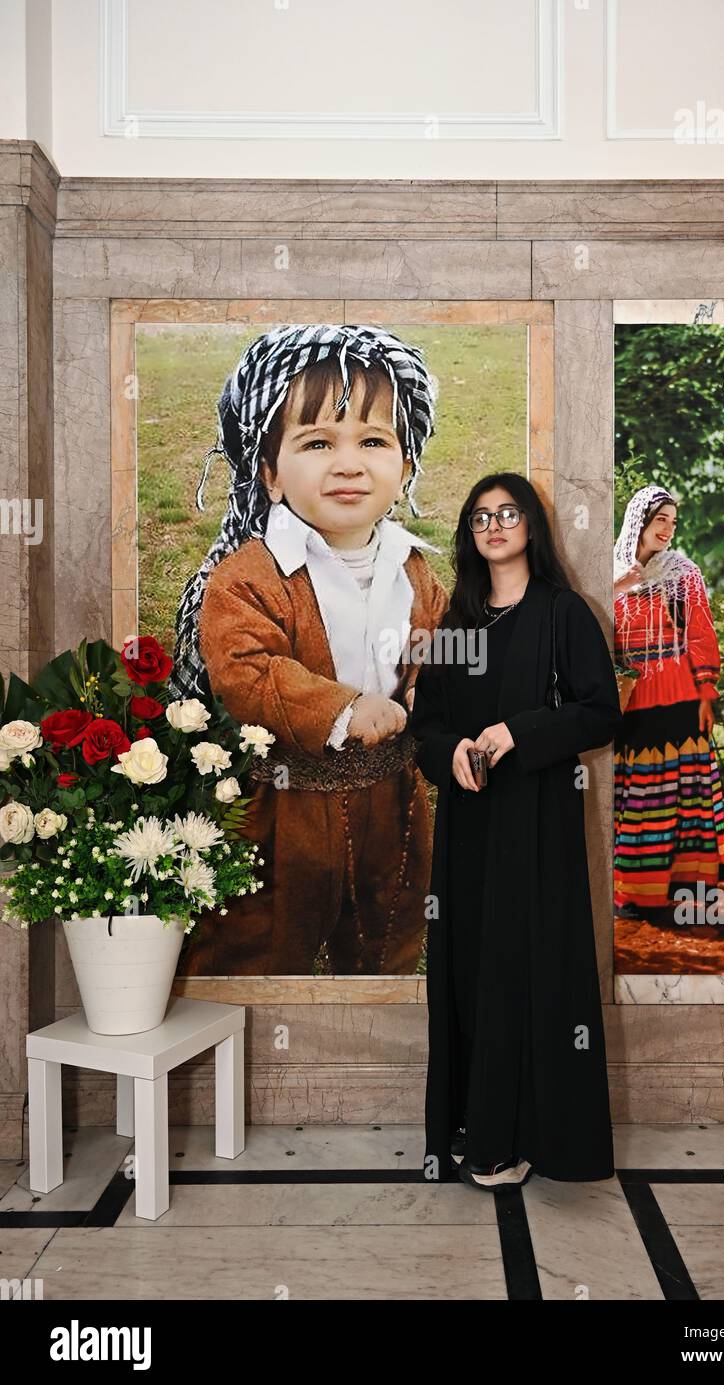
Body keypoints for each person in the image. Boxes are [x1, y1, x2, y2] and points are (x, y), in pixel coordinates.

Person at [169, 323, 450, 975]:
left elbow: (437, 645)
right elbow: (248, 669)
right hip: (282, 805)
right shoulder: (246, 576)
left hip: (391, 798)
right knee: (257, 941)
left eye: (373, 441)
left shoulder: (414, 570)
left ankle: (372, 1033)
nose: (348, 463)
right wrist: (345, 708)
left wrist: (426, 689)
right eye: (318, 441)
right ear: (268, 472)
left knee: (390, 930)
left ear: (405, 465)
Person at [409, 472, 621, 1192]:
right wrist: (453, 754)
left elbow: (600, 712)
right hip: (469, 825)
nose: (494, 526)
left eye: (508, 514)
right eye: (479, 518)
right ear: (470, 535)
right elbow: (424, 729)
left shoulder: (566, 614)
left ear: (532, 524)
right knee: (471, 974)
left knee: (527, 971)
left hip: (538, 824)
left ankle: (522, 1137)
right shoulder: (455, 625)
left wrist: (516, 734)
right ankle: (475, 1130)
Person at [612, 485, 724, 920]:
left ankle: (687, 892)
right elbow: (583, 626)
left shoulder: (684, 573)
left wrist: (706, 694)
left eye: (673, 522)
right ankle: (639, 894)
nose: (667, 529)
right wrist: (617, 587)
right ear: (640, 520)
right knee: (639, 795)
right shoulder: (611, 569)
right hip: (632, 697)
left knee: (684, 794)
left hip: (680, 693)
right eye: (661, 519)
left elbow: (699, 633)